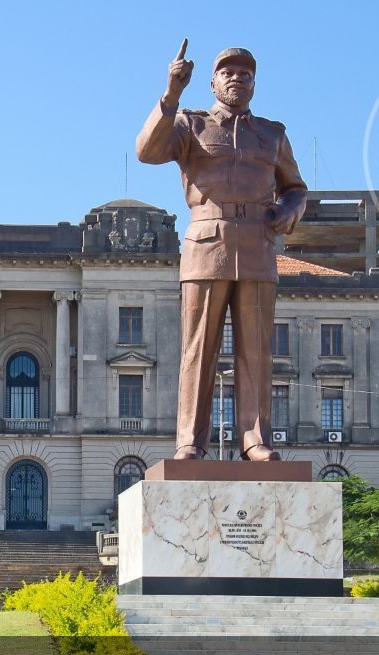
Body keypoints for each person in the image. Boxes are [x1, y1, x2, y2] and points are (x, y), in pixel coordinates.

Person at [136, 41, 307, 461]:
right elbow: (147, 151)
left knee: (256, 351)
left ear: (254, 84)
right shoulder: (190, 124)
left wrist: (289, 208)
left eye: (245, 73)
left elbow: (295, 186)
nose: (237, 78)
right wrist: (171, 94)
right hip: (206, 242)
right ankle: (190, 441)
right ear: (212, 82)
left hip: (257, 244)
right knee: (199, 348)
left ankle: (255, 439)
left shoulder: (272, 134)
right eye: (228, 72)